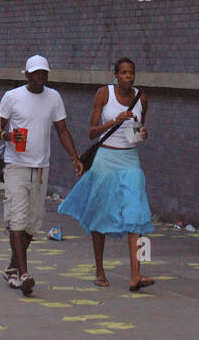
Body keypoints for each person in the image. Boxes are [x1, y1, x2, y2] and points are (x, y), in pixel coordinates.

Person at [59, 57, 155, 292]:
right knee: (101, 213)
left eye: (131, 72)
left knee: (138, 213)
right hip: (106, 158)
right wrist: (114, 120)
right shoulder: (104, 94)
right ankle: (99, 270)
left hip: (130, 159)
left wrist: (142, 134)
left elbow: (139, 130)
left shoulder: (142, 97)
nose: (128, 76)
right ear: (116, 75)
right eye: (123, 72)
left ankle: (136, 274)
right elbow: (91, 132)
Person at [0, 55, 82, 296]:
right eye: (36, 73)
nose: (40, 77)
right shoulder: (12, 97)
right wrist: (8, 137)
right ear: (27, 74)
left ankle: (12, 268)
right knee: (17, 218)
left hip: (41, 167)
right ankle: (24, 273)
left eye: (44, 73)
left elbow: (62, 131)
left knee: (32, 223)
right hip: (16, 166)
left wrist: (74, 157)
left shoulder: (53, 97)